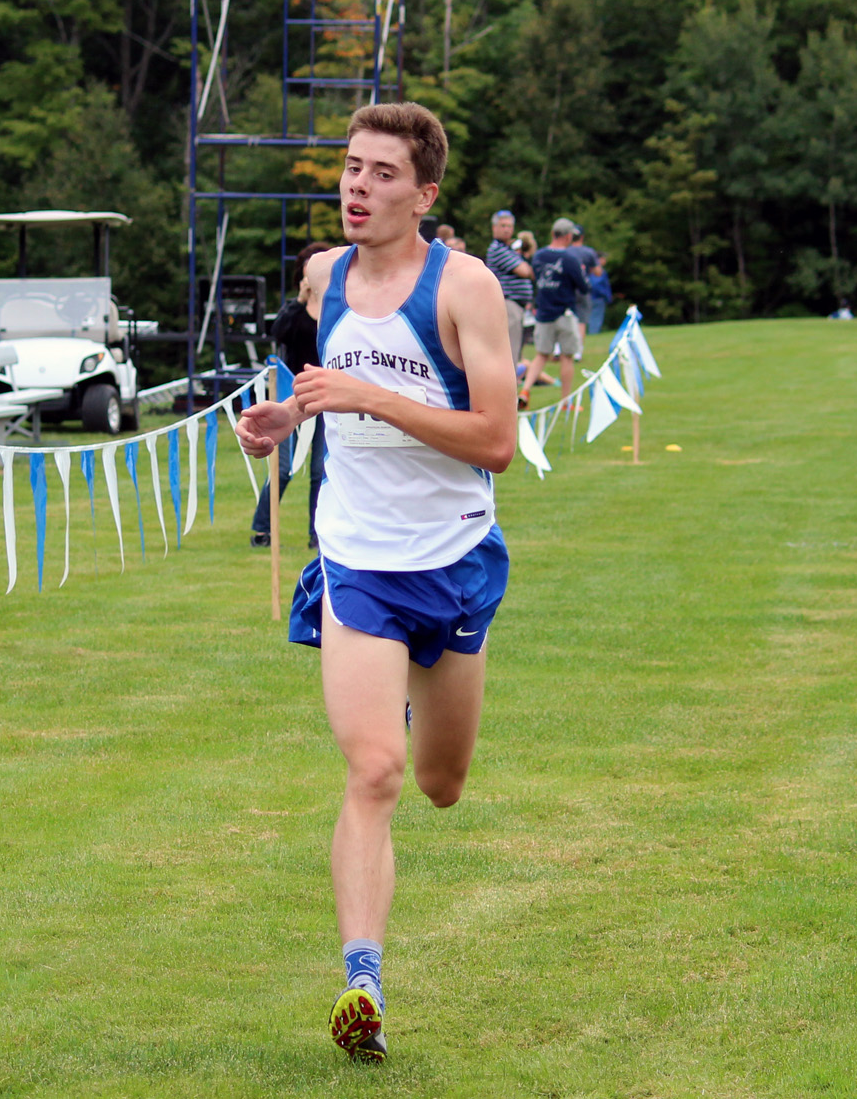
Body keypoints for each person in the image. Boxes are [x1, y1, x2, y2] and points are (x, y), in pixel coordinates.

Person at [233, 101, 515, 1066]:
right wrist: (283, 417)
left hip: (455, 561)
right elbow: (323, 388)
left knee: (438, 782)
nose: (358, 186)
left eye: (383, 173)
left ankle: (411, 697)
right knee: (374, 770)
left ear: (425, 193)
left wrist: (370, 397)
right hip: (357, 560)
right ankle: (364, 981)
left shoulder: (466, 289)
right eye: (351, 168)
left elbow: (497, 441)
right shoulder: (323, 280)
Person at [252, 240, 334, 548]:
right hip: (291, 395)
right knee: (283, 468)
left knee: (319, 470)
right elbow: (277, 333)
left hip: (325, 394)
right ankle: (262, 528)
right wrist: (299, 301)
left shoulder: (336, 304)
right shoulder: (293, 307)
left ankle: (318, 533)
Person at [517, 218, 591, 408]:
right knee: (567, 356)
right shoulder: (571, 259)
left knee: (541, 355)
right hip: (564, 313)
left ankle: (525, 390)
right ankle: (565, 401)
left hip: (543, 313)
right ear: (568, 237)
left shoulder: (539, 256)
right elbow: (583, 287)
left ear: (552, 234)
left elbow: (535, 277)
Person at [484, 210, 534, 363]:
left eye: (510, 226)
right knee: (510, 352)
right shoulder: (497, 249)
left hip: (516, 305)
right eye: (503, 225)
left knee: (516, 351)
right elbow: (526, 271)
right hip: (508, 303)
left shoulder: (508, 249)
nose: (507, 229)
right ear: (494, 228)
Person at [566, 225, 598, 333]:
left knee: (566, 318)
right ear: (582, 237)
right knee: (582, 321)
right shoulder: (589, 252)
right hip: (583, 288)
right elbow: (598, 272)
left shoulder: (566, 251)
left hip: (568, 289)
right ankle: (579, 349)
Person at [586, 254, 612, 334]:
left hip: (591, 297)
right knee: (596, 318)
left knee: (591, 317)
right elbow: (596, 285)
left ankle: (591, 333)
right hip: (597, 298)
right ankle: (593, 334)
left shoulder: (589, 270)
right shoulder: (598, 272)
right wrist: (605, 295)